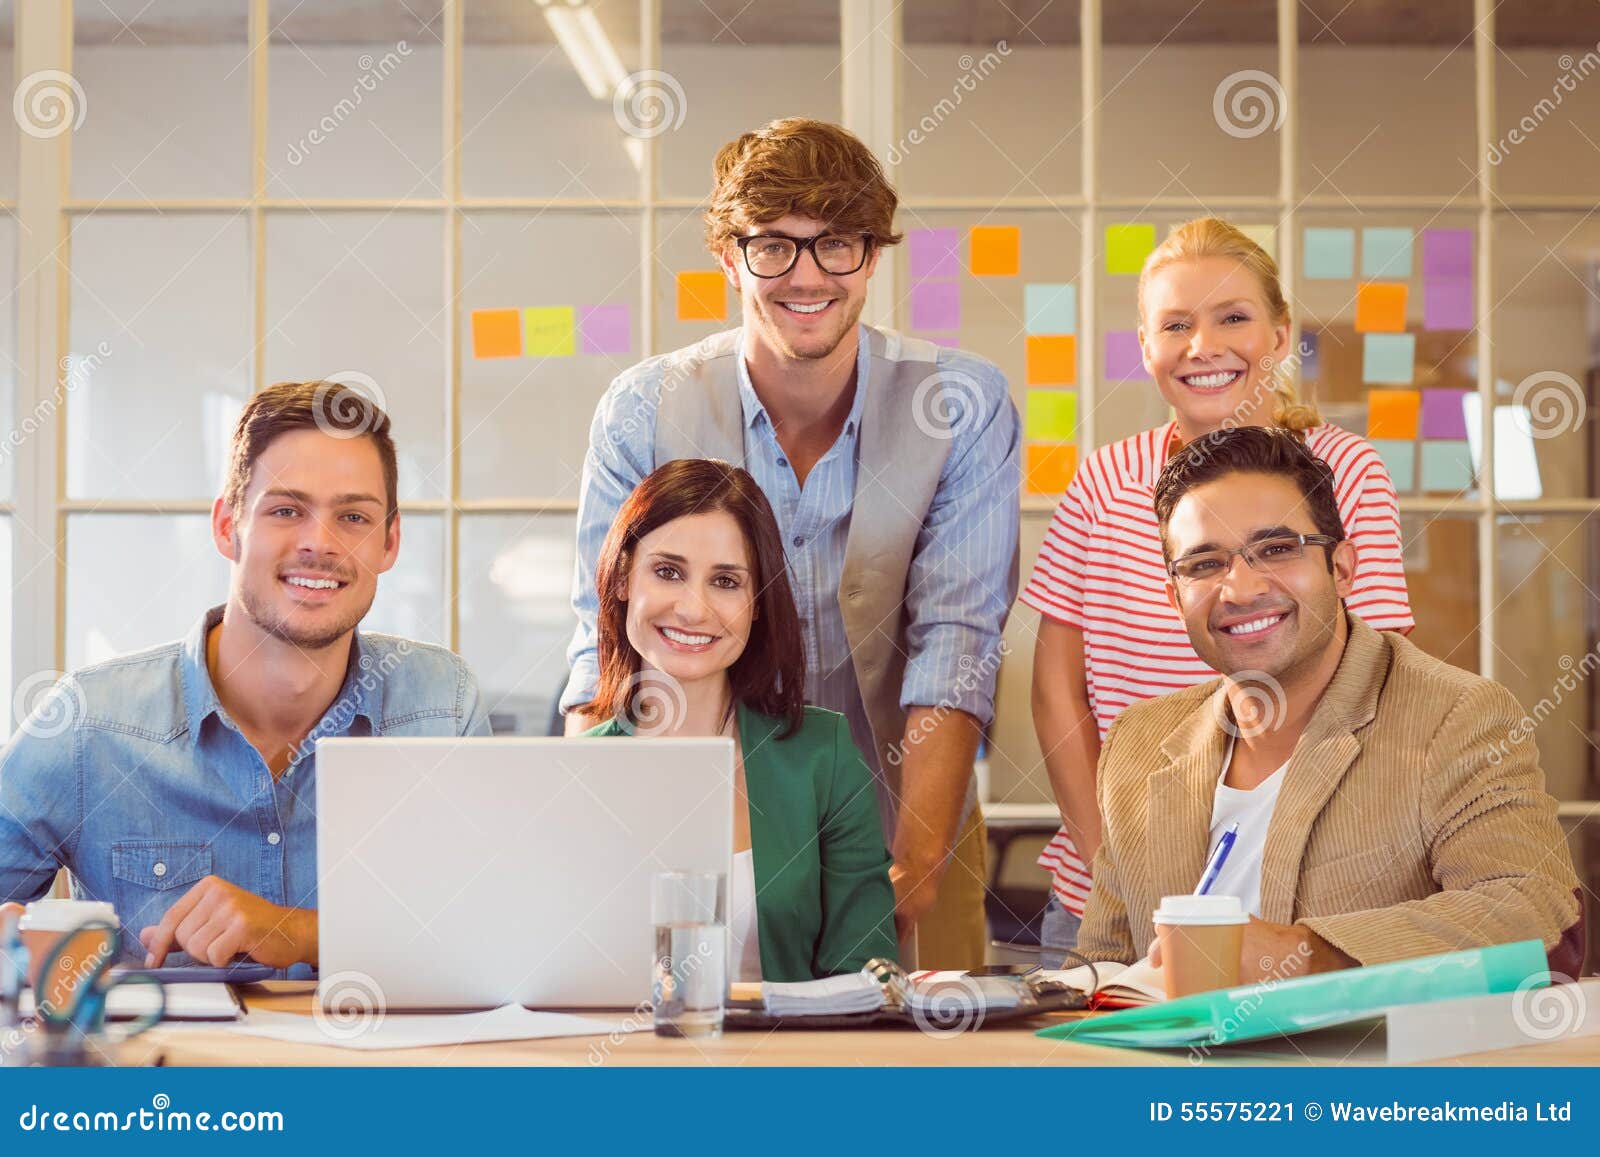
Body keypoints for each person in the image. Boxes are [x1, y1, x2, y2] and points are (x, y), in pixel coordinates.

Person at [563, 118, 1020, 969]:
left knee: (926, 1071)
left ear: (873, 257)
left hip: (908, 809)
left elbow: (956, 642)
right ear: (728, 258)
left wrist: (912, 871)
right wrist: (587, 832)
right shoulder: (644, 407)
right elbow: (602, 636)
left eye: (836, 244)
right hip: (700, 820)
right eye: (773, 245)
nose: (806, 276)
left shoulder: (961, 404)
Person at [1023, 217, 1413, 966]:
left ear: (1278, 334)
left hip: (1297, 909)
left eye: (1233, 317)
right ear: (1145, 347)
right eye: (1176, 325)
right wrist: (1126, 871)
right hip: (1106, 902)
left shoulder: (1345, 471)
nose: (1204, 346)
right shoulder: (1103, 482)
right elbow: (1055, 693)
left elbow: (1381, 688)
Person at [0, 381, 490, 975]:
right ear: (227, 526)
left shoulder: (442, 706)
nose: (320, 542)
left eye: (353, 516)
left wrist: (305, 933)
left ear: (389, 542)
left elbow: (490, 934)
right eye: (286, 510)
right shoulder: (89, 722)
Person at [1076, 426, 1582, 978]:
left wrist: (1301, 953)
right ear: (1175, 598)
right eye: (1204, 564)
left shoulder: (1457, 716)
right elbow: (1101, 965)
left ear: (1341, 569)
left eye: (1275, 549)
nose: (1241, 590)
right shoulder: (1138, 740)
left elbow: (1529, 906)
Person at [577, 458, 896, 983]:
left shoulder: (823, 755)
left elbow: (863, 977)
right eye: (668, 572)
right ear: (622, 579)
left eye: (725, 581)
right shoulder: (572, 772)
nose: (693, 609)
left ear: (757, 605)